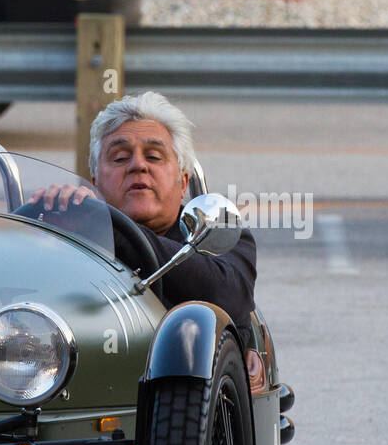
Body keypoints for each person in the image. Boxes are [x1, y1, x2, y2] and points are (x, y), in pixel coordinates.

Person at [30, 91, 257, 331]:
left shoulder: (221, 234)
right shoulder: (72, 235)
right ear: (95, 184)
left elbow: (228, 296)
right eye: (119, 158)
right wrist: (47, 227)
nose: (138, 165)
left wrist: (109, 228)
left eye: (154, 157)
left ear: (183, 182)